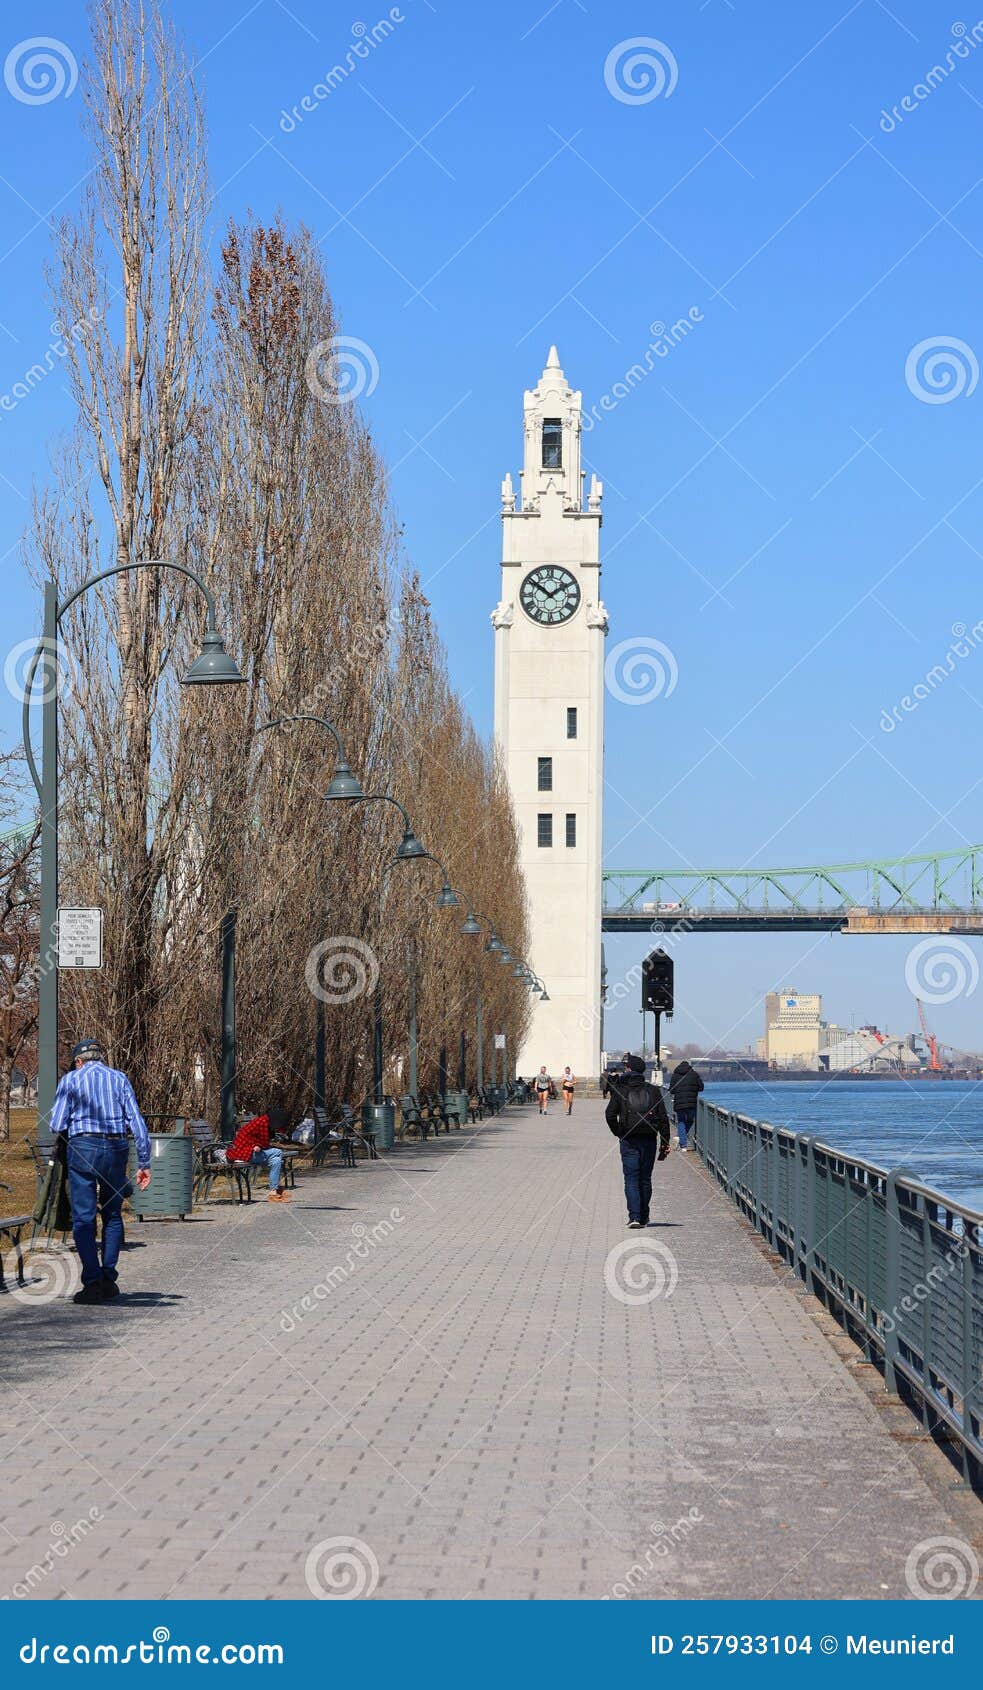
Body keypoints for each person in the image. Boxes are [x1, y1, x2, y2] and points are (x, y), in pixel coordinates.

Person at [50, 1037, 151, 1305]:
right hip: (116, 1147)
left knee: (83, 1218)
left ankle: (92, 1282)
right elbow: (137, 1123)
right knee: (112, 1213)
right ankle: (109, 1279)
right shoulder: (119, 1078)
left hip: (83, 1147)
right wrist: (144, 1163)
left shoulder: (71, 1080)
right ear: (100, 1058)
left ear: (79, 1060)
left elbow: (57, 1122)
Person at [605, 1054, 671, 1228]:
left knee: (631, 1178)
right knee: (645, 1178)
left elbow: (610, 1114)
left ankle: (634, 1217)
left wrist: (619, 1132)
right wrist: (665, 1143)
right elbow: (664, 1118)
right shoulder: (653, 1090)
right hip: (649, 1138)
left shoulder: (621, 1090)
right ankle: (644, 1216)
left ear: (629, 1070)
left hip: (629, 1139)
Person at [227, 1112, 290, 1201]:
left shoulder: (264, 1122)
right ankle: (276, 1189)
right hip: (242, 1154)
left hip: (249, 1151)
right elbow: (265, 1144)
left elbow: (259, 1142)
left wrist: (257, 1145)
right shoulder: (262, 1123)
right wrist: (257, 1146)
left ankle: (273, 1192)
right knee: (278, 1152)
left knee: (276, 1161)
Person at [669, 1060, 704, 1152]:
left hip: (679, 1103)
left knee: (681, 1121)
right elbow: (701, 1087)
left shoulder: (675, 1075)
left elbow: (671, 1090)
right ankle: (680, 1137)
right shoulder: (694, 1074)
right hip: (691, 1102)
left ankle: (683, 1145)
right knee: (690, 1121)